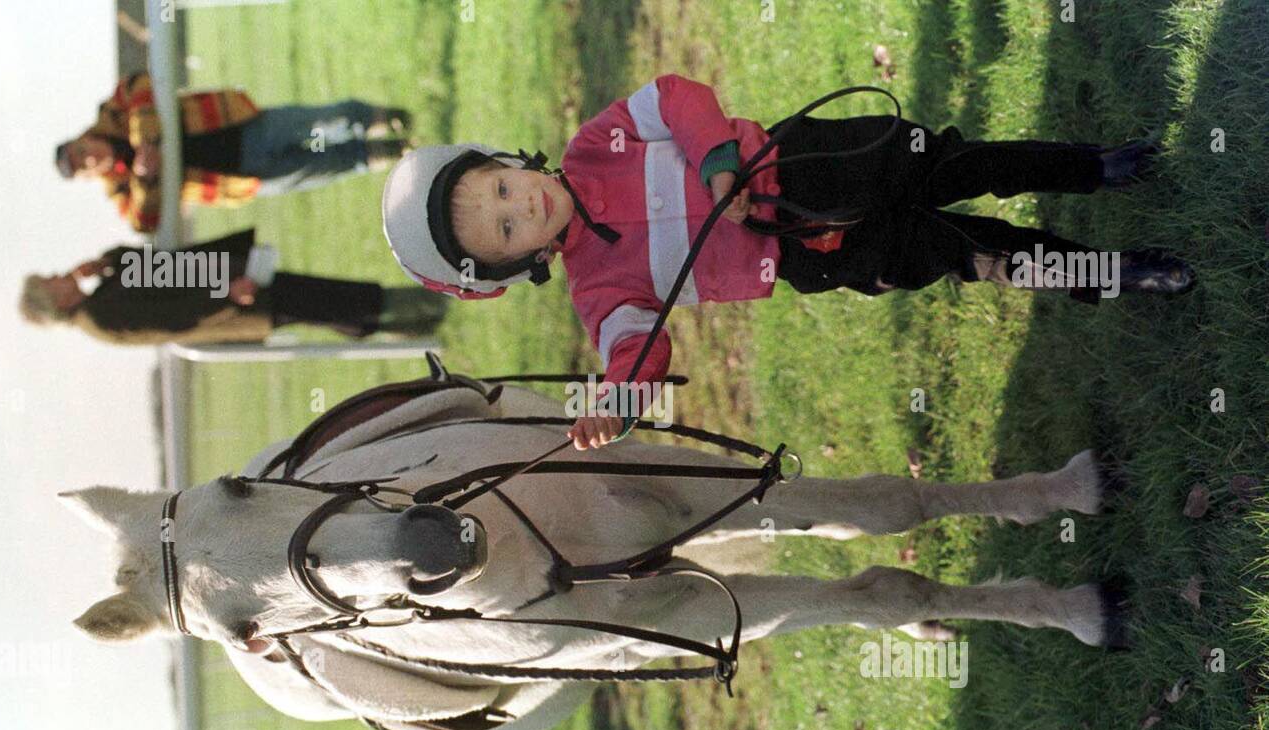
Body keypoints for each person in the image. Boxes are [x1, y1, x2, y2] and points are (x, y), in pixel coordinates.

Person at [381, 73, 1196, 450]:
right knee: (966, 254)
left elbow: (676, 97)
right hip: (808, 255)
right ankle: (1108, 272)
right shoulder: (600, 292)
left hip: (808, 163)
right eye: (505, 231)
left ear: (505, 161)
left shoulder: (597, 144)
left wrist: (714, 164)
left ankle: (1093, 167)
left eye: (500, 188)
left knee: (962, 166)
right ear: (513, 266)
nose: (521, 206)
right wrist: (619, 400)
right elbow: (640, 349)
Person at [56, 71, 412, 232]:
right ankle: (390, 151)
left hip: (238, 126)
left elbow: (138, 84)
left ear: (81, 138)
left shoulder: (112, 113)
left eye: (80, 151)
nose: (89, 159)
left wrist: (144, 139)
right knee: (320, 167)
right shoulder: (121, 191)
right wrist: (146, 179)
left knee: (319, 121)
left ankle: (384, 119)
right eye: (83, 167)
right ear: (89, 177)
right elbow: (144, 223)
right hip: (237, 179)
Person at [19, 229, 448, 345]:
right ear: (55, 299)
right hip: (242, 301)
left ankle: (422, 315)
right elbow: (172, 317)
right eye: (51, 281)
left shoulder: (98, 299)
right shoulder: (100, 315)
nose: (59, 276)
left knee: (334, 303)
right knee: (335, 305)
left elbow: (152, 268)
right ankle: (429, 308)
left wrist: (108, 260)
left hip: (239, 291)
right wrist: (225, 294)